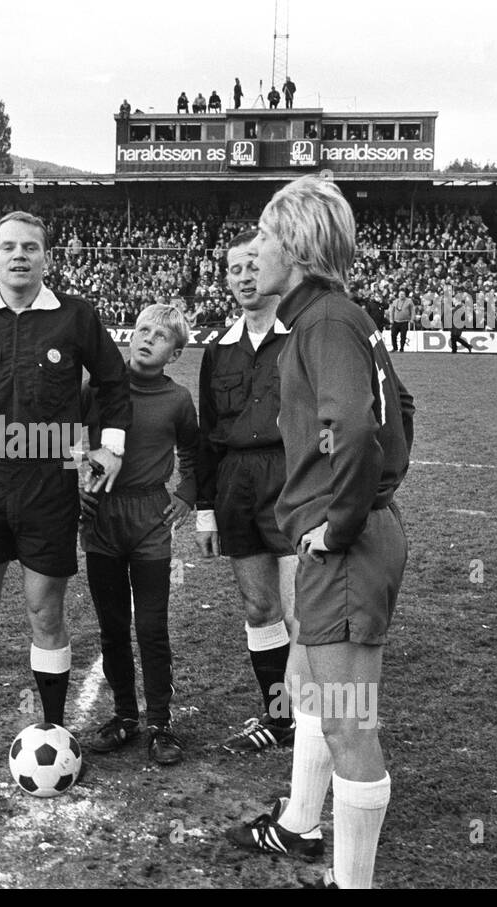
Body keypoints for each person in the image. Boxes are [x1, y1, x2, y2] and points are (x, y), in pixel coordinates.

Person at [225, 175, 414, 891]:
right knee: (308, 688)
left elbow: (360, 425)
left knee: (347, 722)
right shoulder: (338, 315)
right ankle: (301, 825)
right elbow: (402, 409)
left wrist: (339, 523)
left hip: (343, 544)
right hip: (351, 536)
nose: (257, 248)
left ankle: (352, 883)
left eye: (268, 235)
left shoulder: (325, 321)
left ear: (297, 245)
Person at [0, 211, 131, 782]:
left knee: (45, 611)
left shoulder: (75, 317)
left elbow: (114, 382)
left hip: (48, 481)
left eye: (30, 247)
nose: (18, 256)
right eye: (7, 247)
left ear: (46, 259)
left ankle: (54, 731)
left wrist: (109, 446)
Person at [80, 304, 199, 766]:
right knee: (112, 624)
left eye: (162, 336)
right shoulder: (98, 390)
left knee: (151, 626)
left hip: (150, 516)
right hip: (102, 516)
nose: (148, 339)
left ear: (175, 353)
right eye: (143, 330)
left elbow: (193, 449)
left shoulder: (177, 399)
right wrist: (77, 476)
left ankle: (161, 723)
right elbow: (65, 435)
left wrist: (186, 493)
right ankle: (125, 715)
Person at [196, 233, 299, 754]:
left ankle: (317, 720)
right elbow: (207, 433)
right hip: (236, 484)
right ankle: (280, 717)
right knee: (260, 608)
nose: (243, 277)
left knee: (301, 610)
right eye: (233, 269)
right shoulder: (218, 351)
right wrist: (206, 511)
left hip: (293, 481)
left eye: (253, 266)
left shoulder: (305, 335)